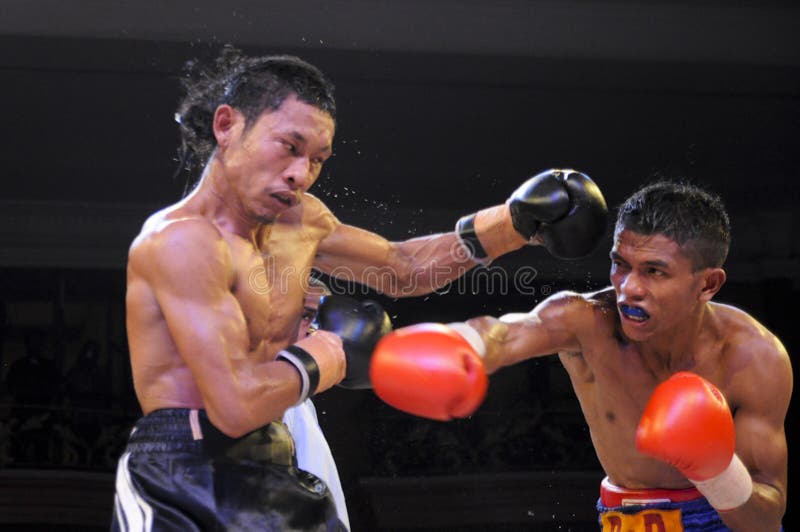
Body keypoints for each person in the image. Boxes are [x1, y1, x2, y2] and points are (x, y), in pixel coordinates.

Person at [111, 44, 608, 531]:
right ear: (227, 126)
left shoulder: (300, 219)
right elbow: (235, 406)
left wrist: (516, 223)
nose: (301, 174)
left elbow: (402, 268)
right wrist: (327, 353)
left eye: (318, 159)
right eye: (289, 147)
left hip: (273, 452)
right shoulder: (183, 243)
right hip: (184, 472)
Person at [372, 181, 791, 531]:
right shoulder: (586, 320)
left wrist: (717, 471)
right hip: (617, 517)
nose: (628, 289)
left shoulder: (753, 358)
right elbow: (505, 335)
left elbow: (767, 519)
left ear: (707, 285)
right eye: (619, 263)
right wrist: (462, 344)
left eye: (654, 271)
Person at [282, 277, 350, 529]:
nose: (315, 331)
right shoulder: (259, 394)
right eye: (307, 315)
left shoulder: (301, 404)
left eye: (323, 321)